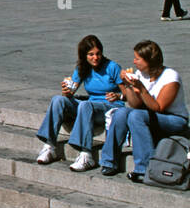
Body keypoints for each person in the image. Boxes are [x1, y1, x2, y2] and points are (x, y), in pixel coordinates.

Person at [100, 39, 190, 181]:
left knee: (136, 116)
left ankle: (144, 168)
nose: (134, 62)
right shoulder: (141, 74)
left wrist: (141, 88)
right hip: (149, 115)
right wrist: (128, 85)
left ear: (149, 61)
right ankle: (109, 161)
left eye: (137, 58)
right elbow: (135, 104)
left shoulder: (171, 77)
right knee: (121, 112)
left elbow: (158, 107)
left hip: (174, 119)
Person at [34, 34, 124, 171]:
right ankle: (50, 145)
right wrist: (66, 91)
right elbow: (71, 91)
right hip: (89, 107)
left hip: (109, 106)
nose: (95, 58)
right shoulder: (83, 68)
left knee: (85, 104)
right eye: (91, 54)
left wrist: (118, 95)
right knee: (58, 100)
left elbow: (128, 95)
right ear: (84, 56)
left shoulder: (112, 67)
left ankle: (86, 154)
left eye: (98, 54)